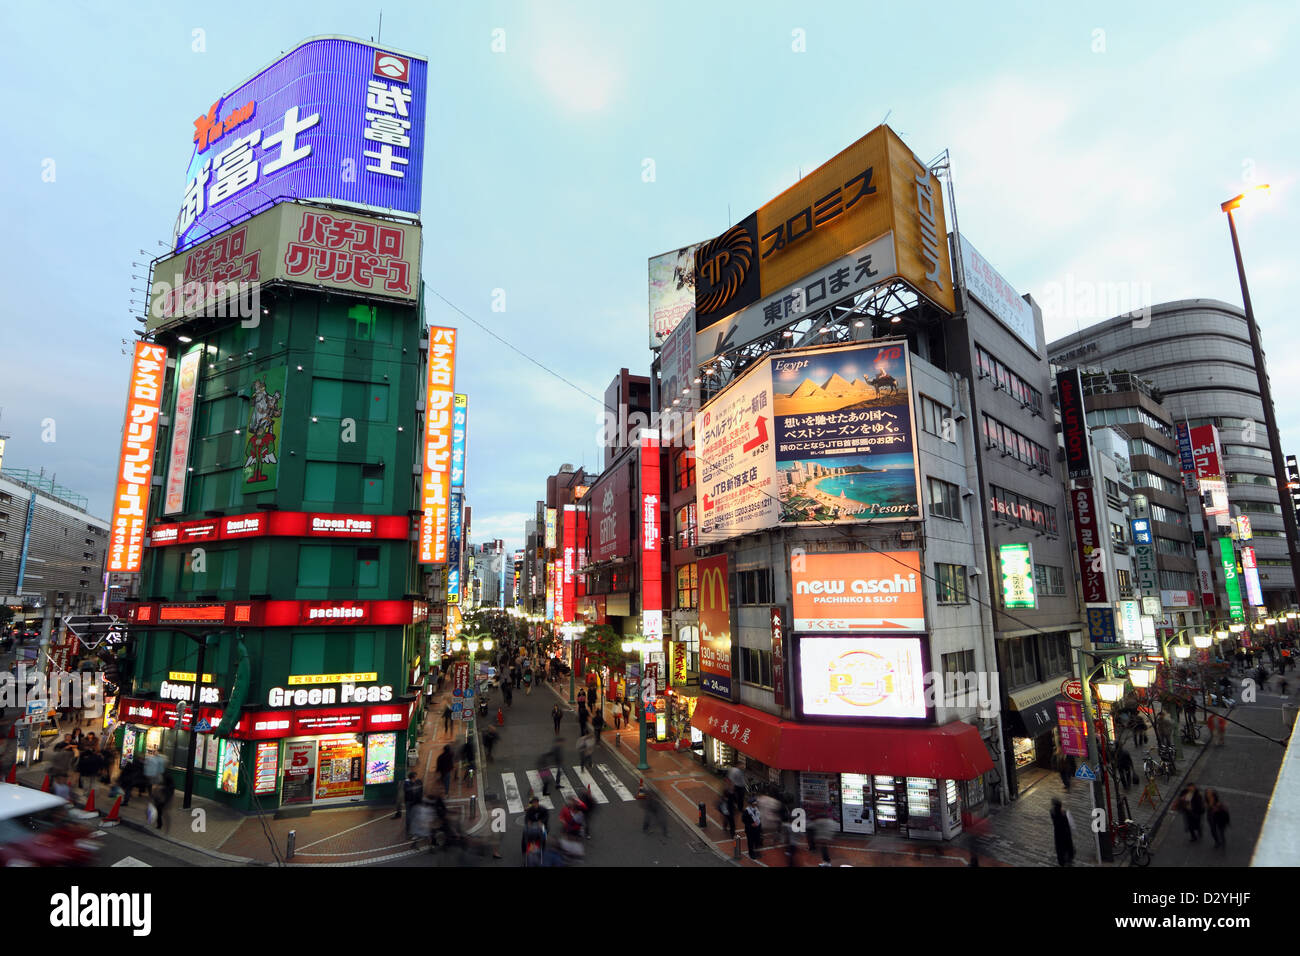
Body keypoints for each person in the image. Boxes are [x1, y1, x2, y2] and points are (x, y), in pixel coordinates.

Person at [1049, 798, 1074, 866]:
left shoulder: (1052, 812)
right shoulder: (1065, 814)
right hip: (1066, 833)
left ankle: (1062, 861)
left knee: (1059, 848)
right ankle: (1069, 858)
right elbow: (1071, 825)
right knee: (1067, 845)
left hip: (1058, 833)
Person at [402, 772, 424, 837]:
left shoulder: (417, 782)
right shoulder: (407, 784)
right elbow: (411, 792)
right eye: (415, 777)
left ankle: (414, 830)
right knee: (409, 817)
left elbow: (420, 791)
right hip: (411, 802)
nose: (416, 778)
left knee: (414, 816)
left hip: (414, 802)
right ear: (413, 777)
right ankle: (410, 831)